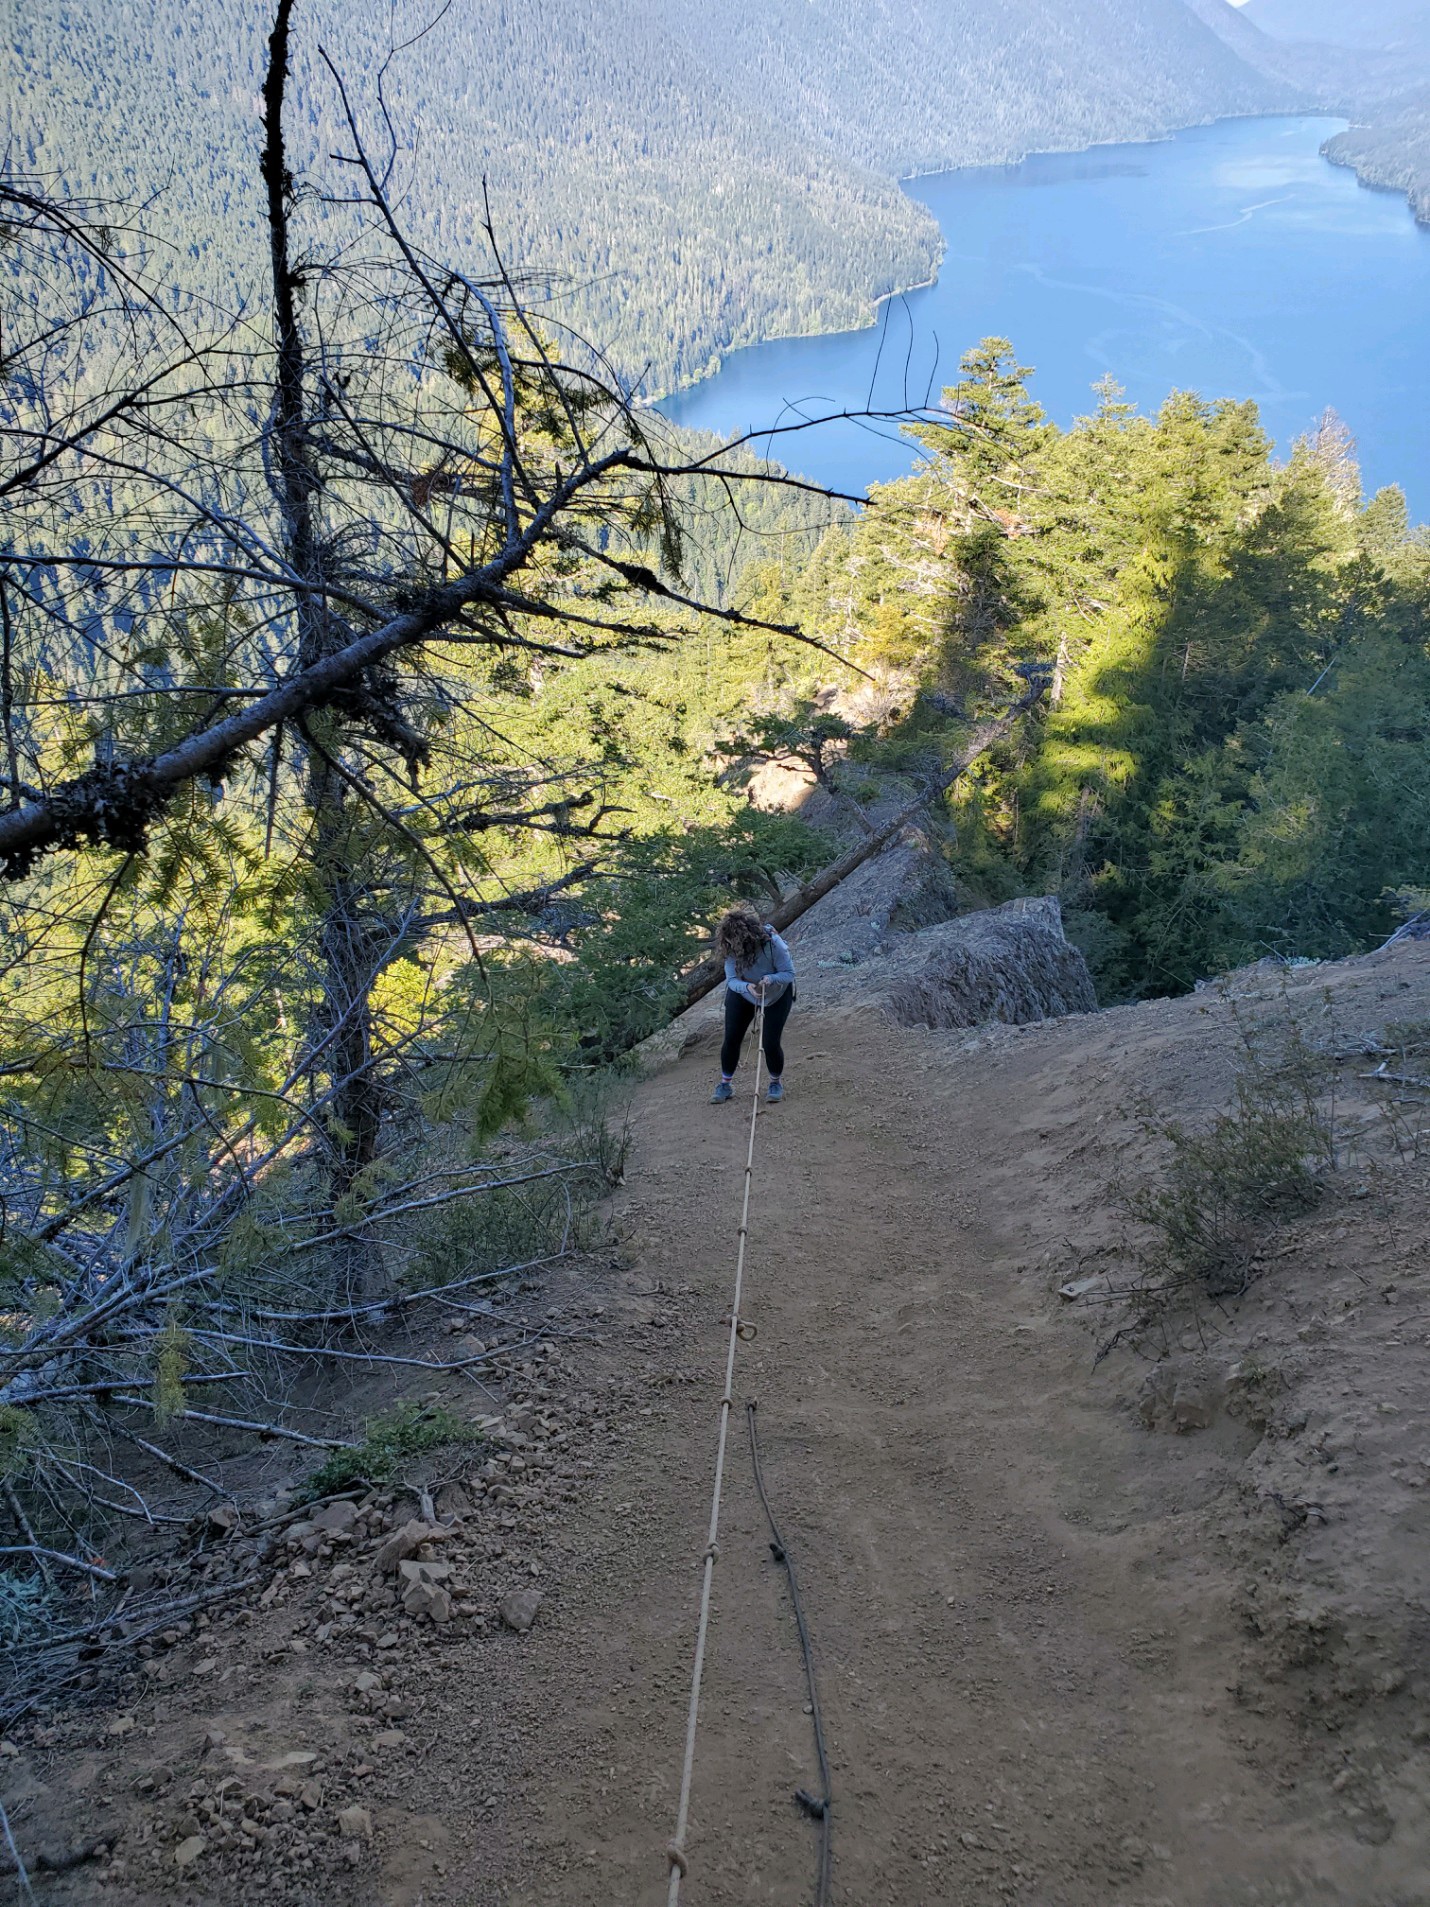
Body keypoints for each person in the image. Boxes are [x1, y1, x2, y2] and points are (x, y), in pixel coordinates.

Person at [710, 905, 796, 1104]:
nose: (732, 945)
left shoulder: (774, 944)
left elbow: (789, 974)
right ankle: (725, 1084)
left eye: (736, 941)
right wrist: (746, 987)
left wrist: (771, 978)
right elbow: (731, 980)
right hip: (744, 993)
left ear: (748, 937)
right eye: (729, 941)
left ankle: (775, 1082)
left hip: (776, 994)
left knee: (770, 1042)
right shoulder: (730, 949)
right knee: (731, 1038)